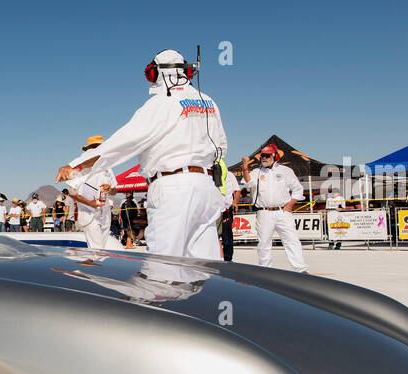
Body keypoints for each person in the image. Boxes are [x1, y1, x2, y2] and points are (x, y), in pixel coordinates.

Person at [55, 49, 228, 259]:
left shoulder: (161, 103)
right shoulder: (208, 102)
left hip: (172, 187)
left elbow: (124, 142)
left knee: (163, 264)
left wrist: (77, 166)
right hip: (205, 187)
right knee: (203, 263)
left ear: (157, 73)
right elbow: (220, 147)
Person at [241, 144, 307, 272]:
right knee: (264, 243)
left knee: (291, 240)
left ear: (275, 156)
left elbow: (298, 189)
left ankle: (300, 269)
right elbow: (248, 183)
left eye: (267, 155)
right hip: (264, 212)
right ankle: (265, 269)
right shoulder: (256, 172)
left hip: (283, 211)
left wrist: (289, 205)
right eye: (262, 156)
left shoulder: (285, 171)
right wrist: (245, 167)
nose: (264, 158)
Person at [62, 136, 121, 250]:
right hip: (89, 213)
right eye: (94, 148)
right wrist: (90, 203)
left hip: (105, 212)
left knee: (102, 248)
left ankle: (96, 266)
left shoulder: (107, 167)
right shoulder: (80, 166)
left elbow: (115, 190)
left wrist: (109, 189)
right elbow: (72, 192)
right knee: (96, 248)